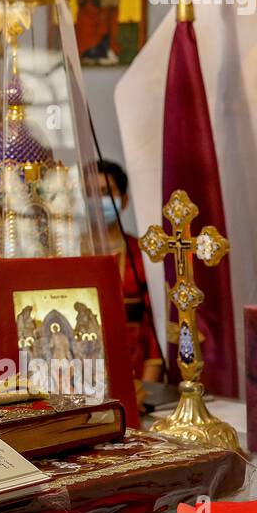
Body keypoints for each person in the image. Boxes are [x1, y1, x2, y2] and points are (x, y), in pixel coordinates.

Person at [97, 159, 163, 384]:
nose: (98, 201)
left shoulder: (141, 254)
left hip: (135, 370)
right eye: (90, 193)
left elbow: (154, 325)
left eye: (106, 192)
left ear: (124, 200)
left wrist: (148, 384)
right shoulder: (69, 252)